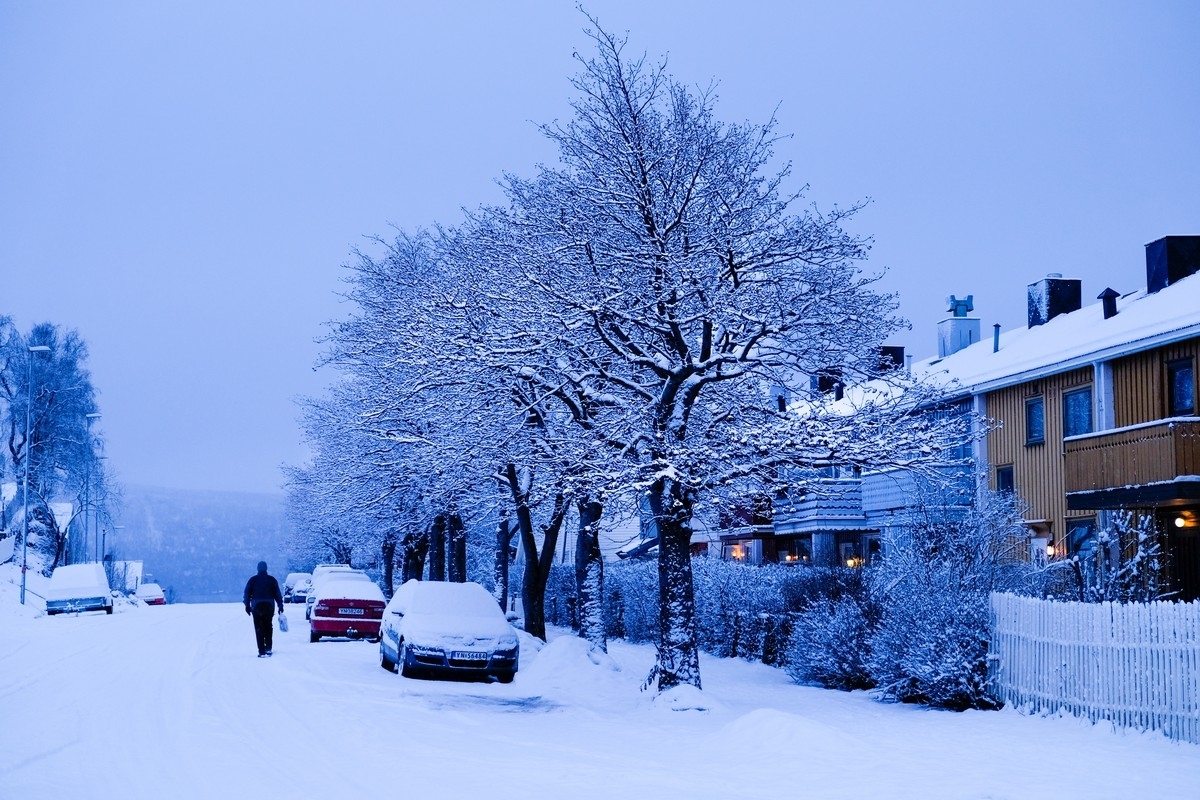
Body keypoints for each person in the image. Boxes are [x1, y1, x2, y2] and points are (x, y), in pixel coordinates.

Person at [243, 560, 284, 657]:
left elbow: (247, 593)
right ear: (266, 568)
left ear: (257, 569)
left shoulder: (252, 580)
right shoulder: (271, 580)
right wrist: (280, 605)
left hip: (256, 607)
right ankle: (268, 648)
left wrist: (247, 606)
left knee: (258, 628)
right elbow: (277, 594)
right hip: (269, 606)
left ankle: (261, 650)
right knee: (268, 626)